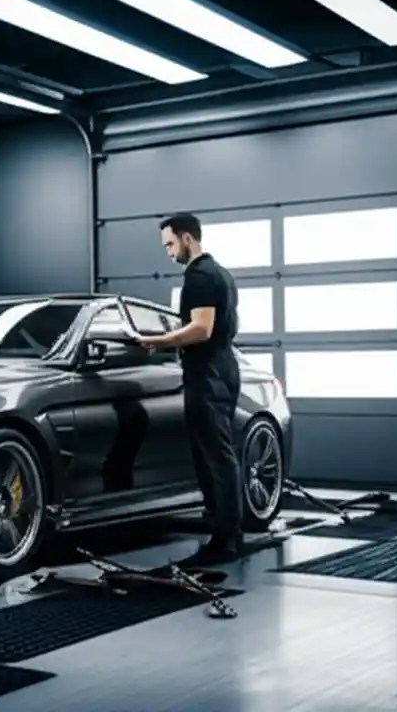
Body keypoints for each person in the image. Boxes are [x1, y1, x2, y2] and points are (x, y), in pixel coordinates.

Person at [136, 213, 244, 564]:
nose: (168, 252)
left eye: (169, 243)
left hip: (207, 373)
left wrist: (159, 341)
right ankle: (222, 526)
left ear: (187, 238)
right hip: (224, 368)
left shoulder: (198, 276)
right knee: (215, 453)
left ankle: (226, 538)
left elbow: (201, 329)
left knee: (217, 456)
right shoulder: (222, 274)